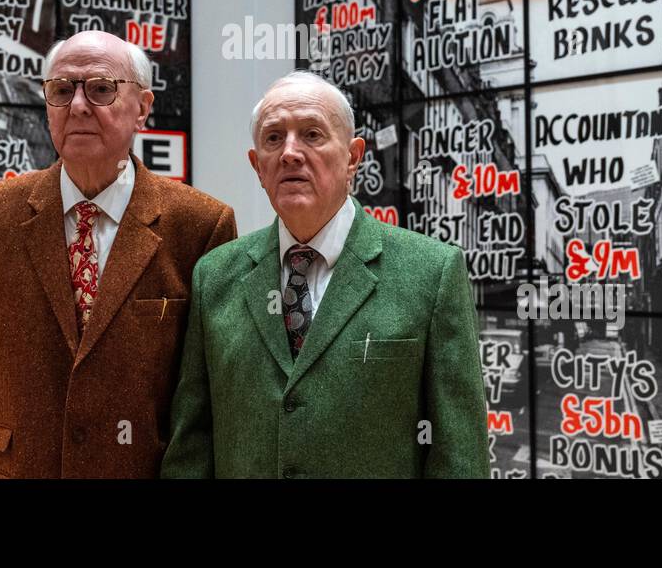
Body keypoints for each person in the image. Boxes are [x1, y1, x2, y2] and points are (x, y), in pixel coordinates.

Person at [0, 31, 236, 478]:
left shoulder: (200, 226)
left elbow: (211, 402)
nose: (78, 105)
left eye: (101, 88)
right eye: (62, 90)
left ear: (143, 108)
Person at [161, 71, 487, 478]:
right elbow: (192, 441)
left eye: (312, 134)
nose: (290, 153)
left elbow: (459, 455)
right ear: (256, 165)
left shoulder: (431, 272)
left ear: (353, 157)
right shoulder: (215, 276)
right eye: (273, 138)